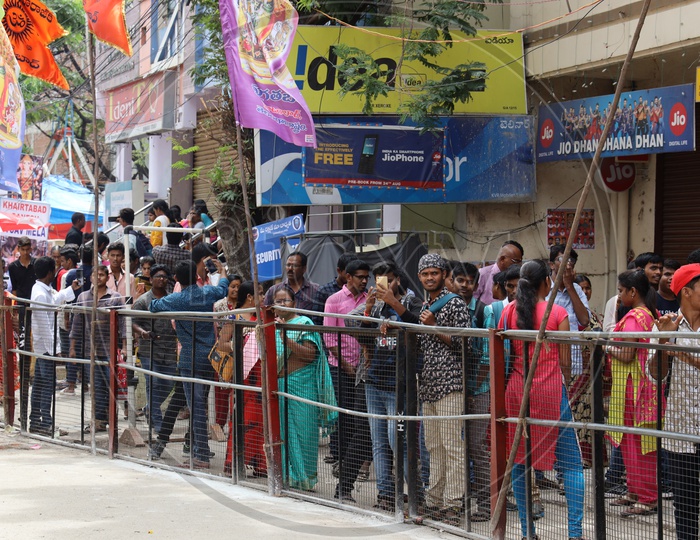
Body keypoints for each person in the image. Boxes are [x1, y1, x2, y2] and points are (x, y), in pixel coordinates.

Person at [498, 259, 586, 540]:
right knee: (572, 464)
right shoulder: (556, 312)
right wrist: (567, 383)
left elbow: (502, 351)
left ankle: (527, 532)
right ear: (547, 282)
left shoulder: (508, 311)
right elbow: (565, 362)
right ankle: (575, 534)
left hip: (516, 392)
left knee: (520, 462)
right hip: (550, 393)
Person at [150, 259, 229, 468]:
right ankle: (198, 450)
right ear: (196, 276)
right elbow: (223, 288)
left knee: (195, 407)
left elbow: (153, 305)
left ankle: (201, 453)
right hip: (208, 356)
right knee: (199, 404)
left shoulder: (176, 299)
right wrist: (221, 272)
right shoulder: (207, 293)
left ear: (176, 279)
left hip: (188, 358)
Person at [359, 261, 423, 511]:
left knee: (399, 442)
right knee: (379, 442)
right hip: (374, 382)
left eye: (388, 280)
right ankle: (385, 494)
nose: (384, 285)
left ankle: (416, 495)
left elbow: (418, 328)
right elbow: (363, 339)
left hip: (401, 383)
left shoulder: (411, 301)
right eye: (379, 281)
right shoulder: (375, 307)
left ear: (398, 279)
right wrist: (367, 309)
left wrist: (393, 305)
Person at [416, 254, 470, 524]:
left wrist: (434, 326)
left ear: (444, 275)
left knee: (452, 447)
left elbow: (464, 345)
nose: (429, 278)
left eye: (434, 273)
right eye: (425, 274)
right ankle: (433, 501)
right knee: (433, 447)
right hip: (429, 385)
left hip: (451, 384)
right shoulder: (427, 303)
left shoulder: (455, 303)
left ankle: (453, 505)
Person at [650, 263, 700, 540]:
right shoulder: (668, 324)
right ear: (687, 292)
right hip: (680, 429)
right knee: (685, 504)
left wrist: (686, 357)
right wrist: (664, 342)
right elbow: (656, 375)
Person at [606, 269, 660, 517]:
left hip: (634, 389)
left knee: (639, 443)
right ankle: (635, 490)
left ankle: (647, 497)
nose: (619, 296)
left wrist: (607, 346)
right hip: (638, 387)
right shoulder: (649, 314)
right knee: (633, 441)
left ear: (632, 292)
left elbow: (627, 355)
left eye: (620, 291)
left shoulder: (633, 318)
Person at [273, 287, 337, 490]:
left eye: (286, 301)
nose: (282, 305)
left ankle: (305, 479)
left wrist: (287, 340)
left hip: (302, 387)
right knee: (283, 433)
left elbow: (310, 356)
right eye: (278, 301)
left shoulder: (304, 323)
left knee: (304, 433)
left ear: (295, 303)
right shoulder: (272, 326)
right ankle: (286, 476)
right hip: (281, 386)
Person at [323, 259, 372, 503]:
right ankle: (343, 463)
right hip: (341, 369)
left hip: (364, 371)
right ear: (348, 277)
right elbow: (330, 339)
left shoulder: (370, 300)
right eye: (359, 276)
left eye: (367, 276)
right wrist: (347, 367)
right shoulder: (334, 300)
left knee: (359, 421)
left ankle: (353, 466)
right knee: (344, 419)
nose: (364, 281)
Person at [29, 257, 81, 436]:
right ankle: (44, 423)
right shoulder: (40, 294)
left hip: (44, 346)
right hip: (45, 347)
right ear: (50, 272)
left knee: (41, 384)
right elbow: (44, 325)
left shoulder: (43, 290)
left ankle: (36, 420)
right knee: (46, 386)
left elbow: (54, 300)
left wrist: (69, 290)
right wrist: (55, 350)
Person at [70, 265, 126, 432]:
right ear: (91, 277)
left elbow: (122, 323)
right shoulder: (83, 297)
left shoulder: (115, 298)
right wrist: (72, 347)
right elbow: (76, 323)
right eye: (96, 274)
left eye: (102, 274)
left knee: (110, 387)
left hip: (109, 349)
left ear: (107, 277)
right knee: (96, 387)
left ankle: (111, 421)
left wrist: (124, 346)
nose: (99, 277)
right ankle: (99, 421)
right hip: (90, 351)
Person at [132, 265, 178, 435]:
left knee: (169, 384)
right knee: (153, 384)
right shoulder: (143, 301)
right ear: (150, 279)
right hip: (149, 349)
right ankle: (158, 423)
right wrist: (143, 333)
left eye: (165, 276)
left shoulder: (171, 299)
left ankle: (149, 408)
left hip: (169, 348)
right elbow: (133, 322)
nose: (161, 279)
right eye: (158, 276)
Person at [571, 274, 605, 467]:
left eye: (587, 288)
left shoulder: (592, 317)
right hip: (573, 373)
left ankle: (592, 458)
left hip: (591, 376)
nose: (585, 292)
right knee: (575, 416)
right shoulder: (568, 313)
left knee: (589, 415)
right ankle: (574, 458)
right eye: (580, 289)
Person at [212, 274, 243, 428]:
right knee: (222, 390)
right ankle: (219, 424)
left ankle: (235, 424)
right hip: (224, 350)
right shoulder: (219, 306)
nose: (235, 290)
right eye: (233, 286)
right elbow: (217, 329)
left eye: (238, 287)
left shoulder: (244, 305)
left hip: (242, 352)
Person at [311, 252, 357, 325]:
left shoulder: (361, 292)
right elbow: (317, 321)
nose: (350, 277)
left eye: (354, 274)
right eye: (348, 274)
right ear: (339, 271)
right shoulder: (324, 291)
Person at [473, 240, 524, 305]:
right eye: (516, 261)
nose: (519, 265)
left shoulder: (520, 276)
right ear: (502, 259)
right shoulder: (483, 274)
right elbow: (472, 301)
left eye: (520, 262)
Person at [152, 224, 189, 290]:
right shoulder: (187, 255)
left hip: (160, 288)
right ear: (181, 238)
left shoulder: (156, 251)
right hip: (179, 289)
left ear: (166, 236)